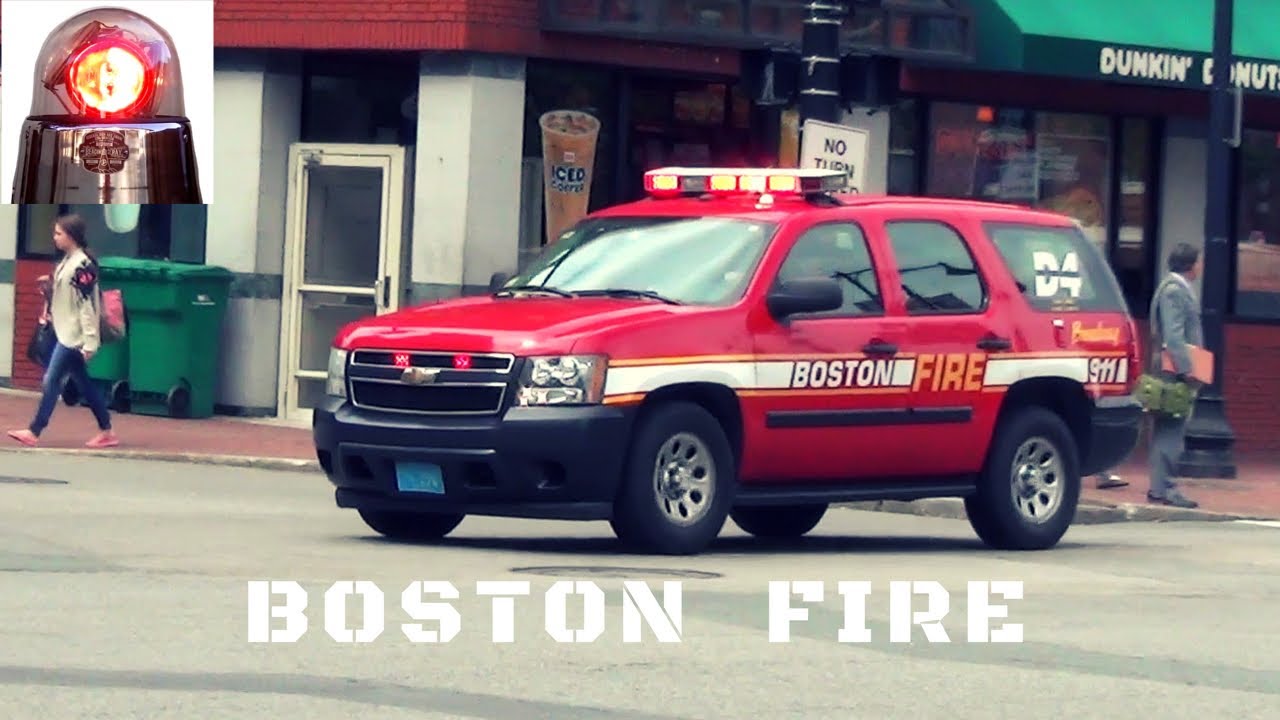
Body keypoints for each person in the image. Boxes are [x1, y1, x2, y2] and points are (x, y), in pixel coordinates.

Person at [7, 214, 119, 449]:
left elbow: (87, 305)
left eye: (59, 233)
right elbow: (70, 296)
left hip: (74, 336)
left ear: (71, 236)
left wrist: (90, 342)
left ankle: (34, 431)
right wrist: (50, 286)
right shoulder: (69, 261)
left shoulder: (82, 265)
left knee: (51, 379)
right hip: (65, 330)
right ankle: (107, 430)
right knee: (83, 382)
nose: (55, 238)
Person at [1146, 242, 1203, 509]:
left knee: (1166, 428)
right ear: (1190, 264)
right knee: (1171, 428)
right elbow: (1174, 336)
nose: (1201, 266)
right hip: (1173, 373)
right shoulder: (1174, 291)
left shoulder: (1173, 288)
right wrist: (1187, 369)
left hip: (1170, 369)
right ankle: (1165, 487)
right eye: (1198, 261)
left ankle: (1160, 487)